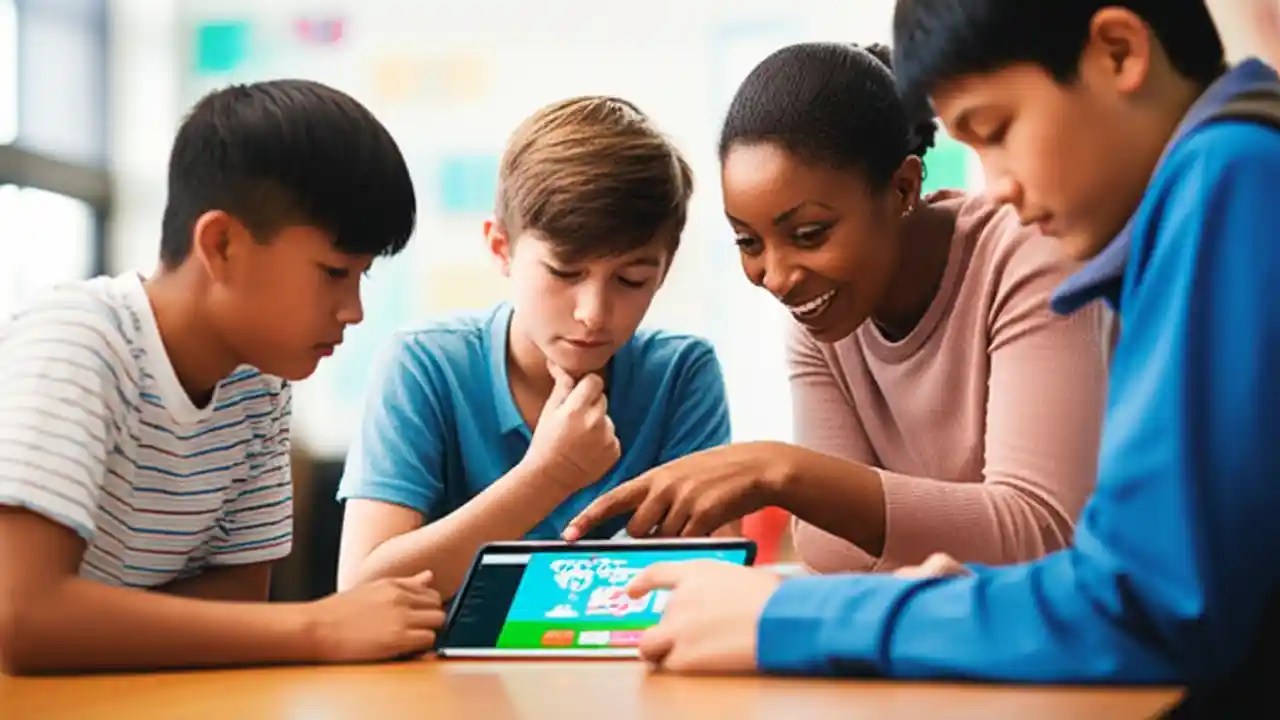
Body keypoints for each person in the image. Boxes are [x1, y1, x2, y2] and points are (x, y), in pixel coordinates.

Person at [622, 2, 1280, 711]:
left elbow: (1145, 605)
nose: (995, 185)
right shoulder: (1215, 180)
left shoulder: (1231, 176)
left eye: (996, 133)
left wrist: (788, 619)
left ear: (1119, 52)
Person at [563, 43, 1110, 578]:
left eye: (809, 233)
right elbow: (831, 552)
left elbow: (1043, 532)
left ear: (902, 188)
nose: (776, 277)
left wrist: (782, 472)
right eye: (749, 242)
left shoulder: (1029, 256)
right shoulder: (823, 312)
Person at [0, 80, 444, 674]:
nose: (353, 310)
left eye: (361, 276)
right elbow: (22, 620)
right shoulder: (77, 340)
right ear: (222, 244)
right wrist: (318, 626)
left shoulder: (257, 386)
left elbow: (236, 604)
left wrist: (94, 623)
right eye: (334, 272)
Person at [335, 96, 732, 599]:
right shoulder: (424, 365)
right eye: (566, 273)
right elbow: (360, 590)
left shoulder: (681, 374)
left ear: (664, 270)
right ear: (501, 248)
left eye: (631, 280)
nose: (593, 312)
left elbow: (708, 584)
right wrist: (547, 475)